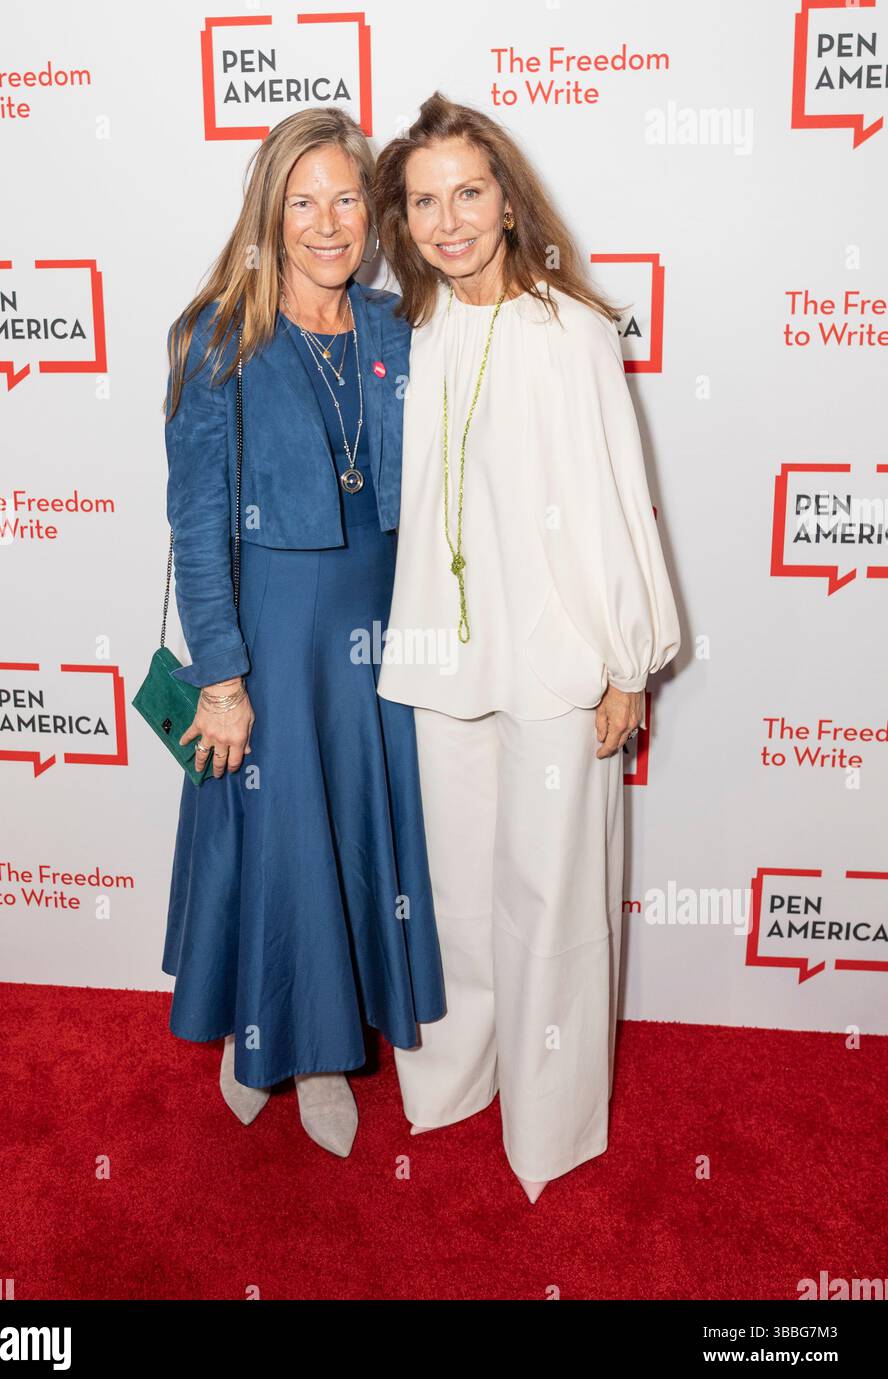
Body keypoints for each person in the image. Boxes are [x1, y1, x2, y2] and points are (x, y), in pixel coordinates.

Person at [373, 93, 681, 1201]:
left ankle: (545, 1125)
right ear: (398, 219)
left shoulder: (573, 329)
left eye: (467, 192)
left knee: (549, 900)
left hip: (554, 660)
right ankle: (452, 1079)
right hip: (440, 658)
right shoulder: (413, 331)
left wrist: (624, 662)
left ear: (506, 197)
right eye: (421, 201)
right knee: (455, 892)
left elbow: (614, 500)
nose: (447, 220)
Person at [160, 107, 445, 1159]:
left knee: (352, 842)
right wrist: (223, 678)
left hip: (381, 624)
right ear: (269, 214)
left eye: (345, 200)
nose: (328, 223)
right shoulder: (217, 337)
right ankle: (268, 1043)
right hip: (271, 631)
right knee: (277, 847)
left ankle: (329, 1046)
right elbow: (195, 526)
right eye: (302, 201)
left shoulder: (396, 326)